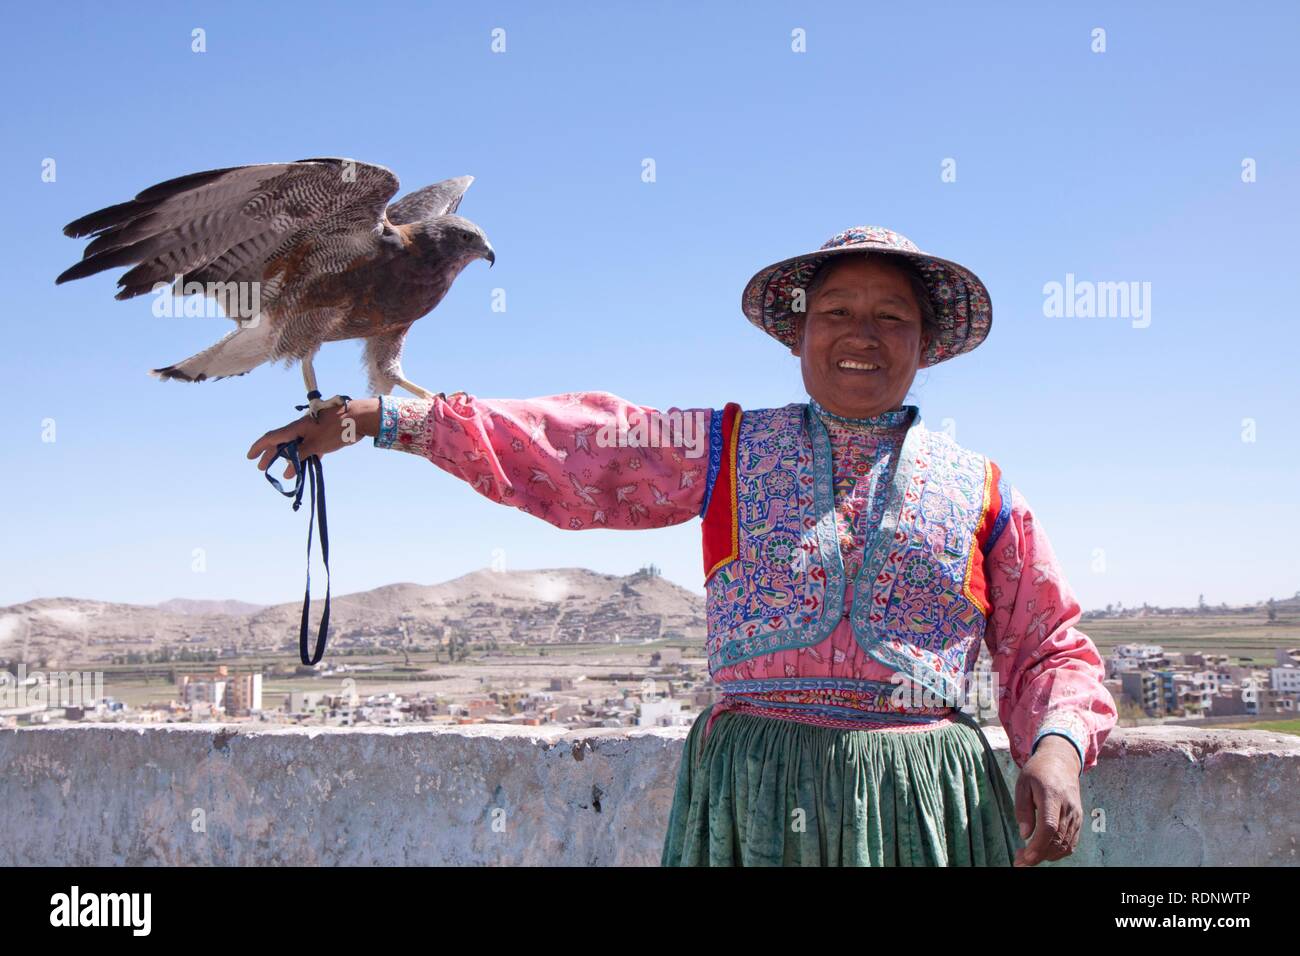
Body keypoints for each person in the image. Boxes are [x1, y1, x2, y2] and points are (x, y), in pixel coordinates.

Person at [248, 225, 1117, 867]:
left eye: (891, 316)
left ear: (924, 345)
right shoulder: (725, 449)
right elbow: (580, 447)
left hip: (924, 809)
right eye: (838, 312)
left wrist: (1056, 748)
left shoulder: (985, 492)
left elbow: (1049, 647)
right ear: (800, 335)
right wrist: (385, 417)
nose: (863, 333)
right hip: (752, 798)